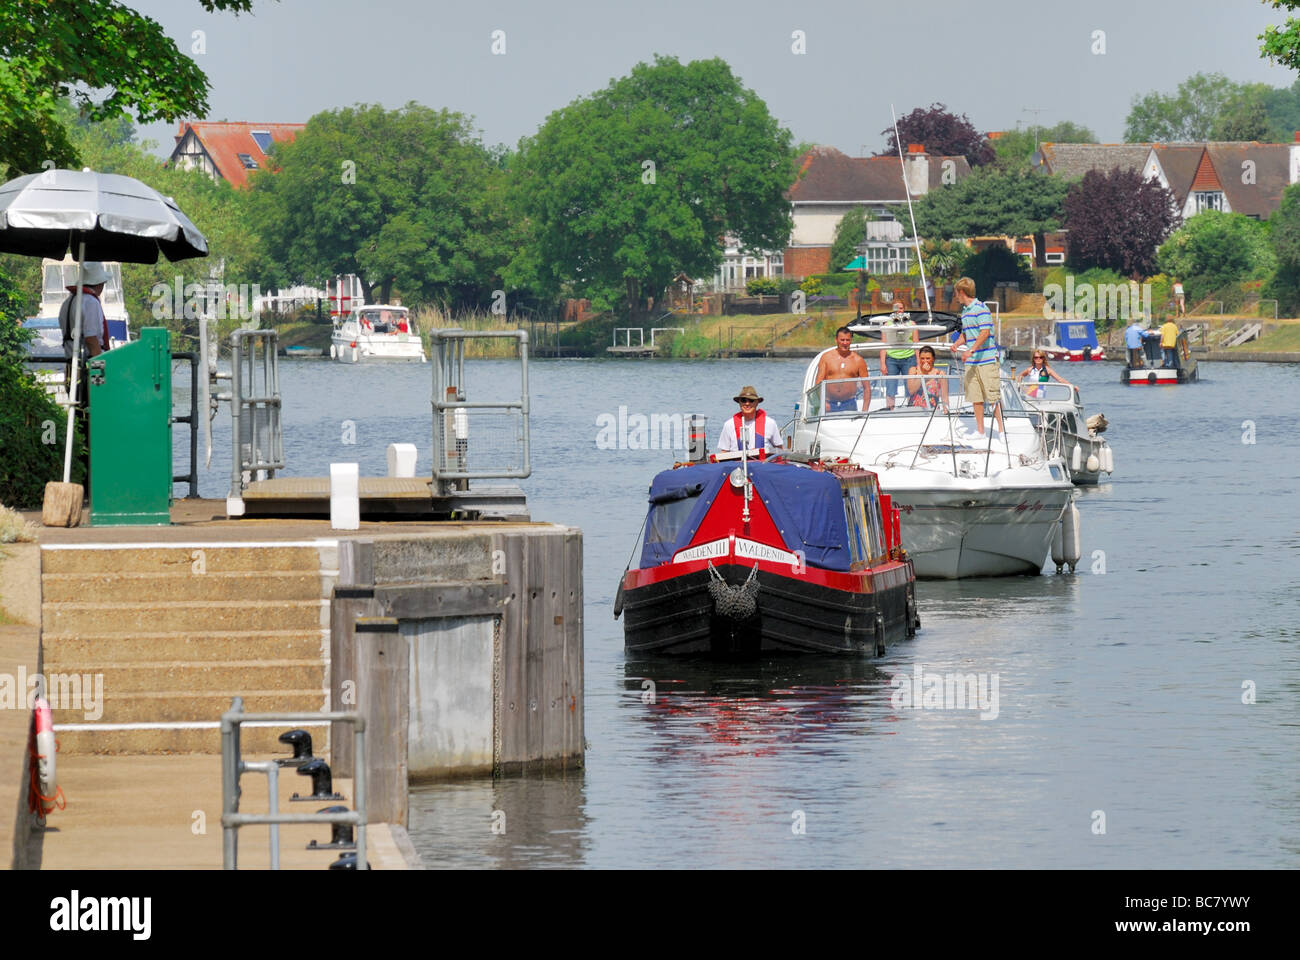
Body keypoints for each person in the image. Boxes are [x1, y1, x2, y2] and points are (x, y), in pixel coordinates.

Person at [951, 277, 1004, 436]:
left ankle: (1001, 430)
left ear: (961, 292)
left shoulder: (981, 308)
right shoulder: (965, 312)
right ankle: (980, 431)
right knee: (976, 397)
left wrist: (971, 350)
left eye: (956, 293)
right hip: (971, 362)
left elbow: (985, 332)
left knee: (992, 396)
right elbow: (967, 335)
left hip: (986, 360)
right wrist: (957, 344)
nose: (956, 297)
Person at [58, 261, 113, 362]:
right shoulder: (90, 302)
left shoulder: (68, 302)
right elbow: (91, 339)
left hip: (72, 360)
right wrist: (101, 366)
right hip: (87, 362)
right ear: (99, 283)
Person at [815, 326, 870, 413]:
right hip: (829, 404)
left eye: (847, 340)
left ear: (851, 340)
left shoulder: (858, 360)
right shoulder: (826, 358)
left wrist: (865, 411)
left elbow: (867, 388)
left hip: (850, 404)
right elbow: (818, 384)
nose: (845, 343)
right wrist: (823, 403)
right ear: (836, 340)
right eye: (842, 340)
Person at [717, 385, 783, 456]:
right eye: (743, 400)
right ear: (739, 403)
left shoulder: (770, 423)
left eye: (751, 400)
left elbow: (779, 448)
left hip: (763, 464)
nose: (747, 403)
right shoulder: (729, 425)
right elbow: (724, 452)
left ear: (757, 403)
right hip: (737, 465)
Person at [879, 300, 918, 409]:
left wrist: (918, 363)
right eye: (896, 308)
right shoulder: (887, 325)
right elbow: (883, 345)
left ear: (904, 309)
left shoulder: (912, 324)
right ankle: (890, 408)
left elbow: (916, 345)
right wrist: (883, 363)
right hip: (891, 359)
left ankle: (911, 409)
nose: (899, 311)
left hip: (909, 358)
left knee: (910, 387)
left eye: (901, 308)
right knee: (891, 387)